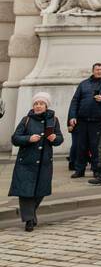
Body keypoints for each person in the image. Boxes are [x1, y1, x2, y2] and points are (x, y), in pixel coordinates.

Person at [10, 93, 63, 231]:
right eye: (36, 104)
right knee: (25, 191)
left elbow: (60, 138)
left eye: (41, 104)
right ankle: (29, 220)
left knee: (41, 191)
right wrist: (28, 139)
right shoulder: (26, 120)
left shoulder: (54, 120)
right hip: (26, 162)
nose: (38, 106)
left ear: (46, 106)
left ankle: (31, 214)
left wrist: (54, 138)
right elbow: (15, 138)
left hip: (44, 162)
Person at [68, 62, 101, 178]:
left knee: (96, 147)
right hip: (82, 120)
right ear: (93, 71)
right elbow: (75, 101)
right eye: (97, 69)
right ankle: (79, 170)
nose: (99, 71)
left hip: (98, 121)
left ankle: (97, 170)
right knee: (80, 146)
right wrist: (72, 117)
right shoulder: (83, 84)